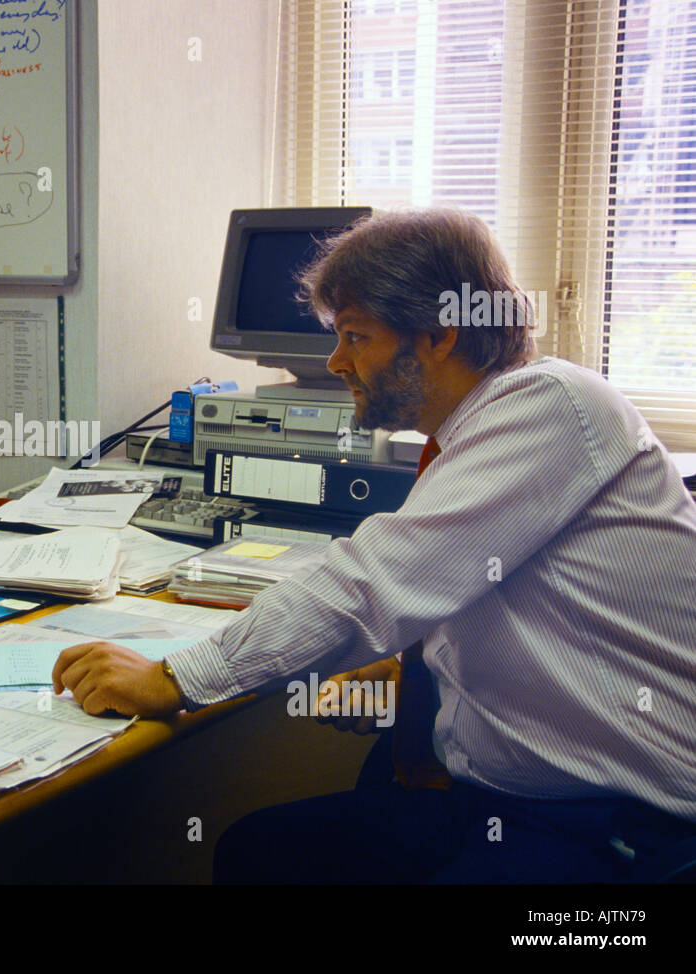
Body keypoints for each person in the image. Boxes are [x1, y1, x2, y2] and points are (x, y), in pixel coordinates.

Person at [52, 208, 696, 882]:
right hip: (509, 801)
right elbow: (470, 584)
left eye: (356, 336)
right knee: (260, 850)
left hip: (620, 828)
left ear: (440, 335)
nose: (336, 362)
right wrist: (414, 667)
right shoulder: (470, 438)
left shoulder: (552, 409)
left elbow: (373, 582)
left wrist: (172, 679)